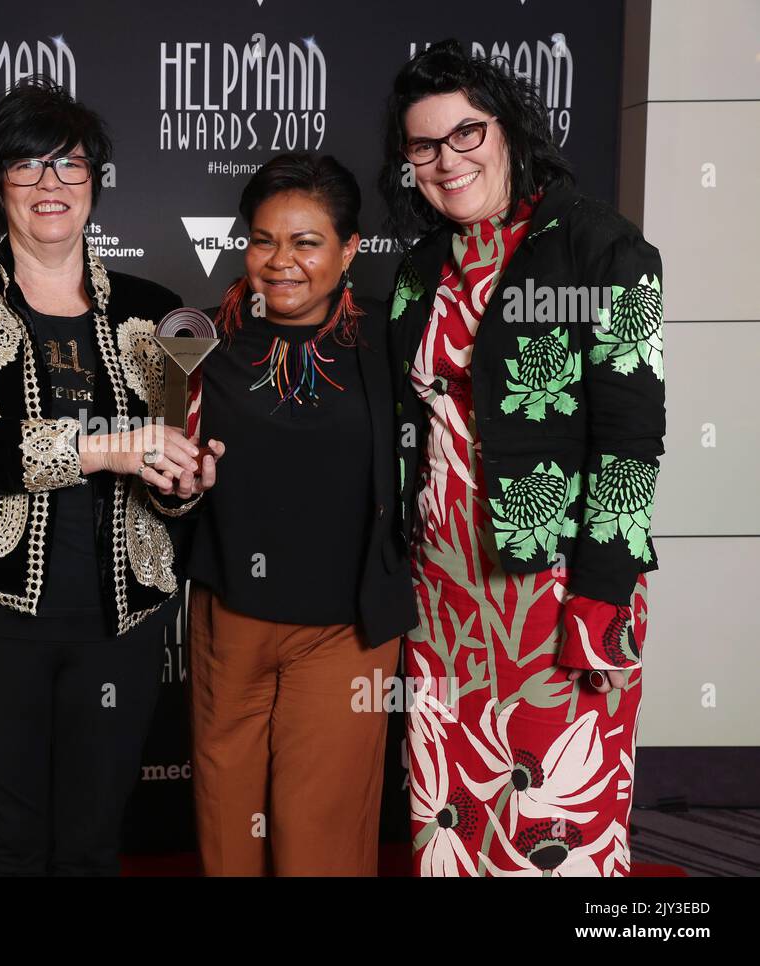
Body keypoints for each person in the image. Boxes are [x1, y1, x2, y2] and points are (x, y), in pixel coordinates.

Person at [0, 78, 221, 876]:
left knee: (91, 841)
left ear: (96, 183)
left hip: (120, 619)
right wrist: (109, 447)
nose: (51, 185)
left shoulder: (158, 310)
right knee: (7, 840)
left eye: (70, 165)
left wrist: (184, 479)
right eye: (27, 164)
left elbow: (170, 450)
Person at [379, 40, 665, 877]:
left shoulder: (601, 249)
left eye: (466, 133)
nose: (447, 160)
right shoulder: (420, 270)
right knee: (448, 813)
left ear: (509, 130)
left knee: (552, 821)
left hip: (555, 590)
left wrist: (600, 600)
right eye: (424, 145)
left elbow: (631, 442)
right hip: (443, 601)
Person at [185, 153, 417, 876]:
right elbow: (161, 476)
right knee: (228, 836)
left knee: (322, 841)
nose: (281, 262)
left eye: (307, 242)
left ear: (350, 250)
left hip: (345, 631)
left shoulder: (390, 337)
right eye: (263, 240)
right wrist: (177, 480)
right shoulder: (188, 336)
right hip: (230, 618)